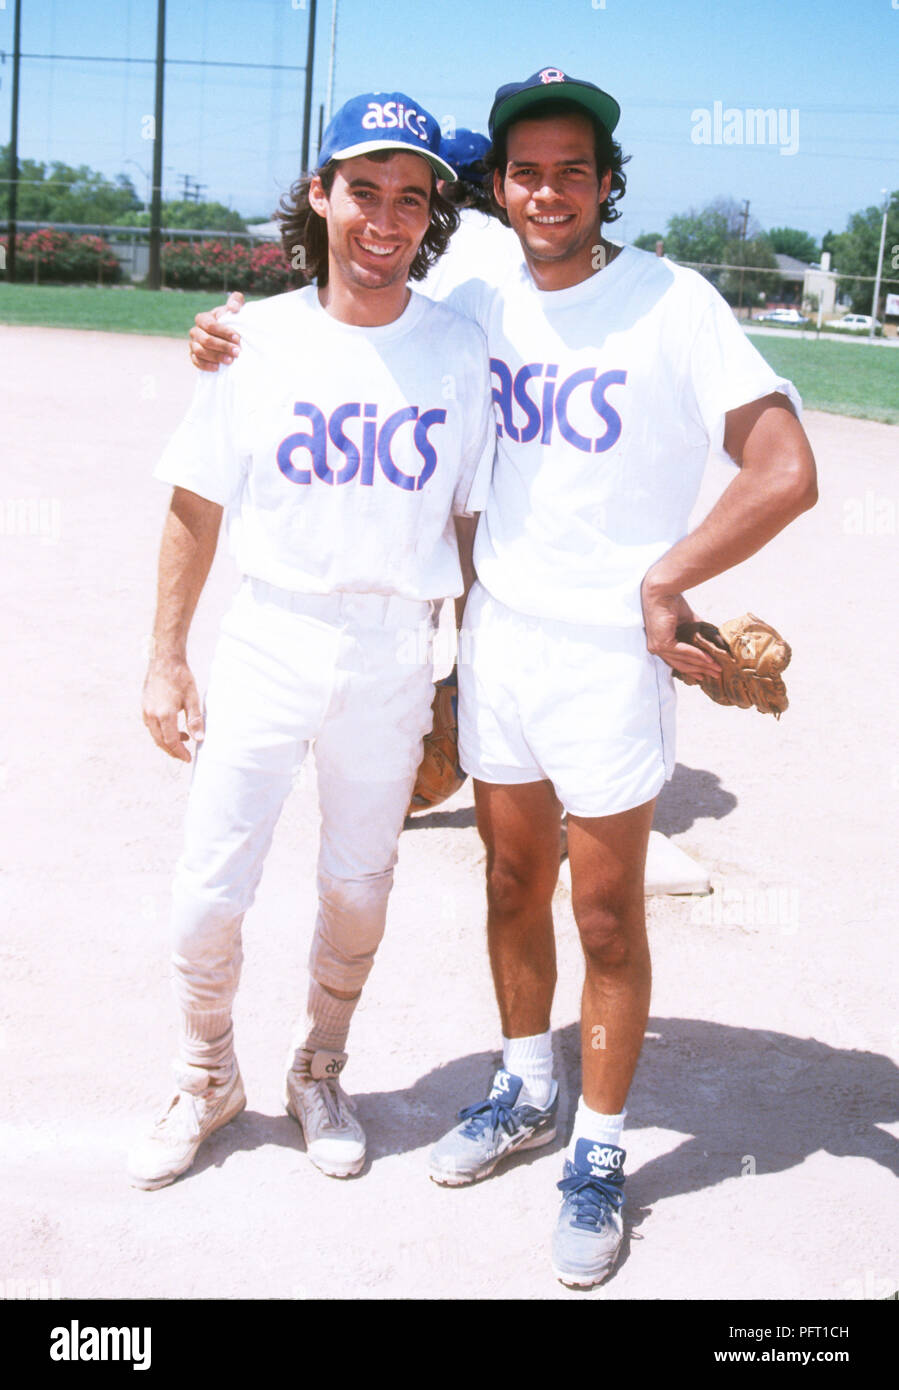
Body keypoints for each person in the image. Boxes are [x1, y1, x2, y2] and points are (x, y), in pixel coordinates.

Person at [187, 68, 817, 1287]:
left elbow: (783, 468)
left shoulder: (670, 303)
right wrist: (226, 324)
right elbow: (346, 294)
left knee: (603, 912)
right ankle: (525, 1083)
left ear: (604, 183)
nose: (546, 190)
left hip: (605, 660)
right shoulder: (473, 280)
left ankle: (598, 1144)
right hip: (498, 650)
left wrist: (665, 580)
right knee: (510, 881)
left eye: (570, 170)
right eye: (523, 171)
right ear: (498, 187)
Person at [129, 90, 494, 1192]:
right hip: (272, 632)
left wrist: (464, 675)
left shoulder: (459, 350)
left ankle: (318, 1070)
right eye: (362, 191)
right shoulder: (256, 338)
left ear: (432, 214)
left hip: (392, 650)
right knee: (208, 886)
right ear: (319, 194)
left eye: (409, 198)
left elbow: (471, 521)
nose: (384, 219)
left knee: (359, 886)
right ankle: (205, 1075)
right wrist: (165, 654)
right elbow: (198, 500)